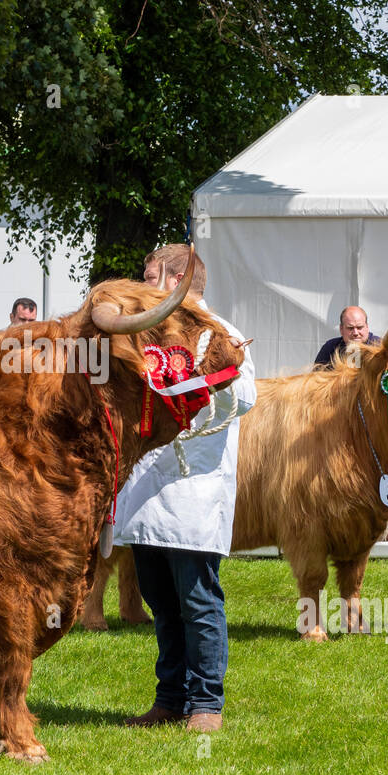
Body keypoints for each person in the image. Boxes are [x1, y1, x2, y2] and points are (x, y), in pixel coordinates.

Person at [118, 244, 257, 733]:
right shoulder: (145, 335)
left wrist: (207, 375)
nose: (142, 281)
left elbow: (244, 398)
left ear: (174, 278)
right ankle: (169, 698)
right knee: (160, 600)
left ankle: (206, 704)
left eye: (148, 272)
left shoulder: (221, 334)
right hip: (146, 490)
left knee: (198, 601)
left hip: (195, 488)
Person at [313, 306, 380, 368]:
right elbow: (317, 377)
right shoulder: (330, 347)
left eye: (359, 327)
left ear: (367, 327)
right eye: (350, 328)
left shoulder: (380, 348)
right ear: (341, 329)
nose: (355, 333)